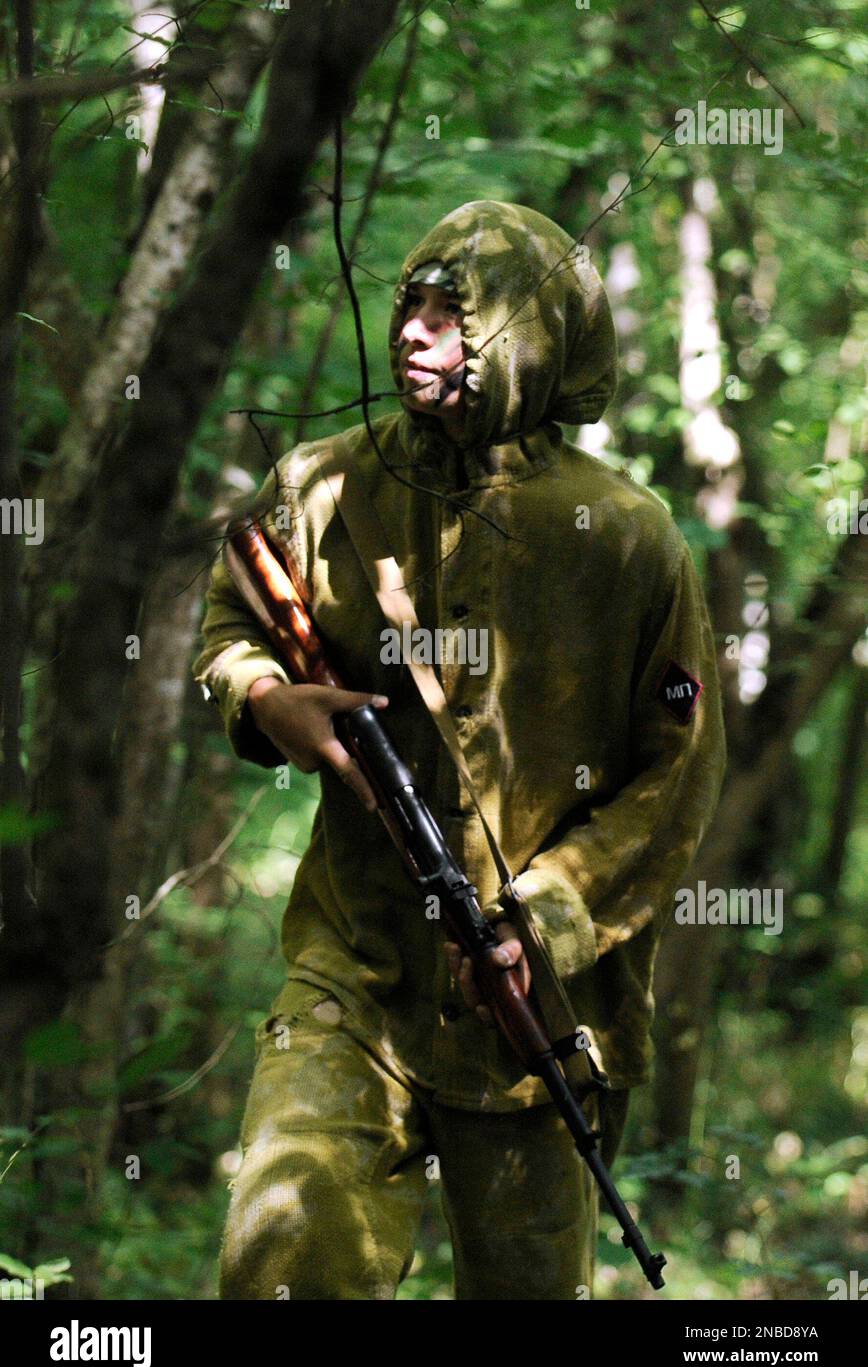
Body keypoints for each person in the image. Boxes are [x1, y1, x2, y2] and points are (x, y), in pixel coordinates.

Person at [192, 199, 727, 1300]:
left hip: (538, 1015)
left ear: (531, 339)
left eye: (454, 313)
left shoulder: (627, 538)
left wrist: (547, 917)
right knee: (281, 1260)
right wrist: (263, 699)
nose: (414, 332)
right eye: (411, 306)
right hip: (357, 967)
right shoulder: (324, 483)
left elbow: (674, 779)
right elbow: (234, 624)